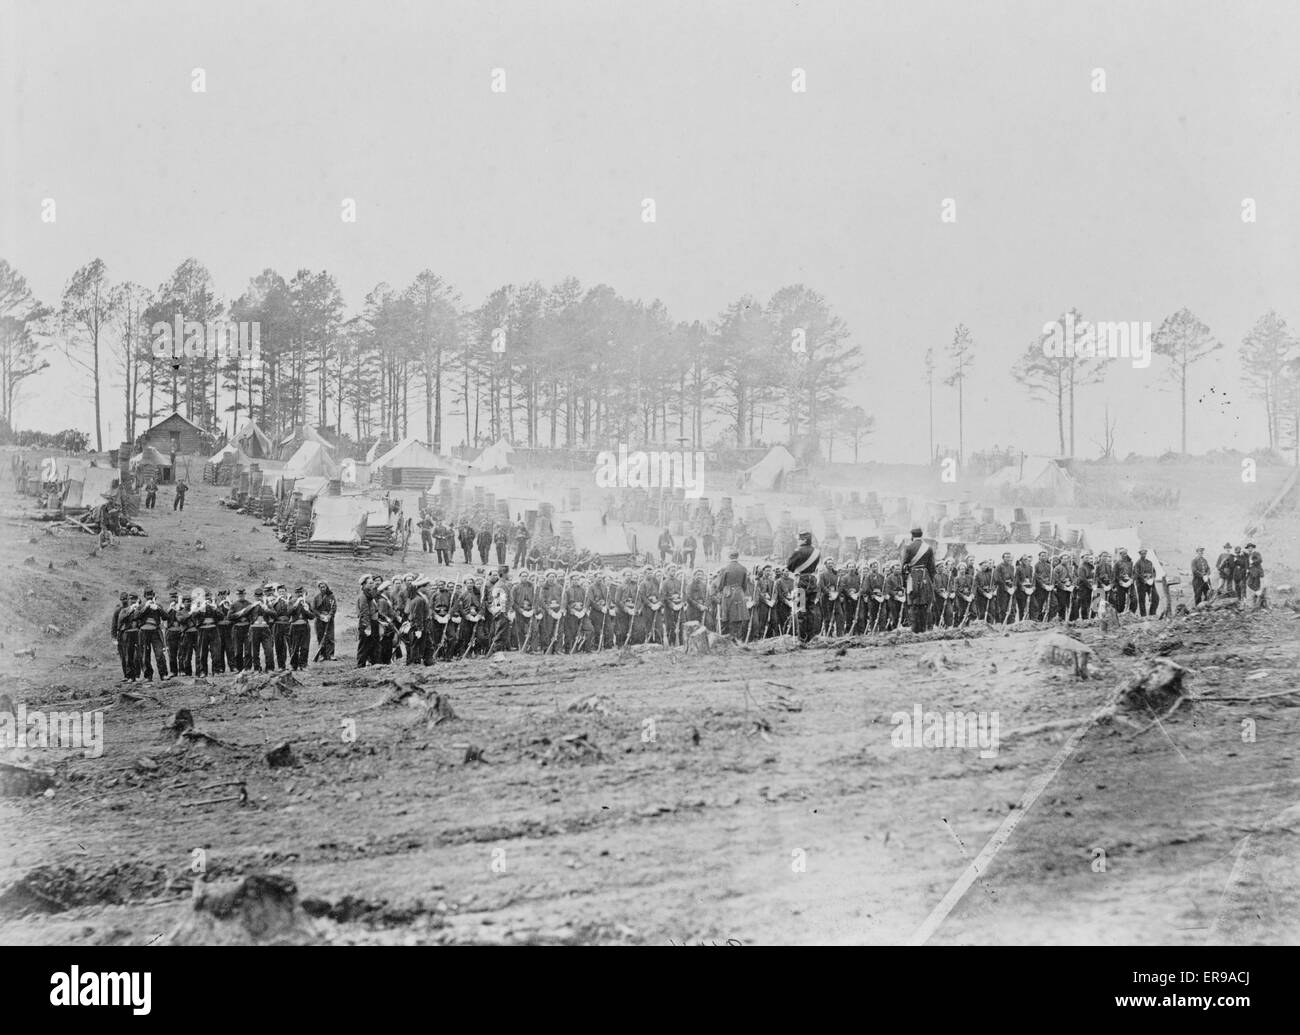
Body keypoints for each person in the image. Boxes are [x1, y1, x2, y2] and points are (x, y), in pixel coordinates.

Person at [900, 527, 935, 633]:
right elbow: (932, 567)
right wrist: (930, 581)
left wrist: (904, 582)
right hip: (925, 577)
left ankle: (915, 630)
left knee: (914, 604)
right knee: (925, 604)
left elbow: (903, 565)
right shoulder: (928, 548)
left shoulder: (908, 547)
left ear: (912, 536)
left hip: (913, 578)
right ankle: (924, 629)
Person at [717, 549, 751, 638]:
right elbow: (745, 585)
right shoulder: (743, 568)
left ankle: (728, 639)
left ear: (729, 557)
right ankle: (737, 639)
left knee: (727, 618)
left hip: (728, 593)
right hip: (739, 594)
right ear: (737, 556)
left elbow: (720, 585)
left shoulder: (725, 568)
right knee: (738, 618)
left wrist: (722, 590)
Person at [312, 580, 336, 660]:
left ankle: (331, 654)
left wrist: (329, 616)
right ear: (319, 588)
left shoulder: (331, 596)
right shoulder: (316, 597)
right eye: (321, 587)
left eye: (324, 587)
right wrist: (320, 616)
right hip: (319, 620)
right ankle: (322, 654)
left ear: (326, 587)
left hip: (329, 619)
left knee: (330, 636)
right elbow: (313, 609)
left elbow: (334, 607)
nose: (322, 588)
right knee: (320, 636)